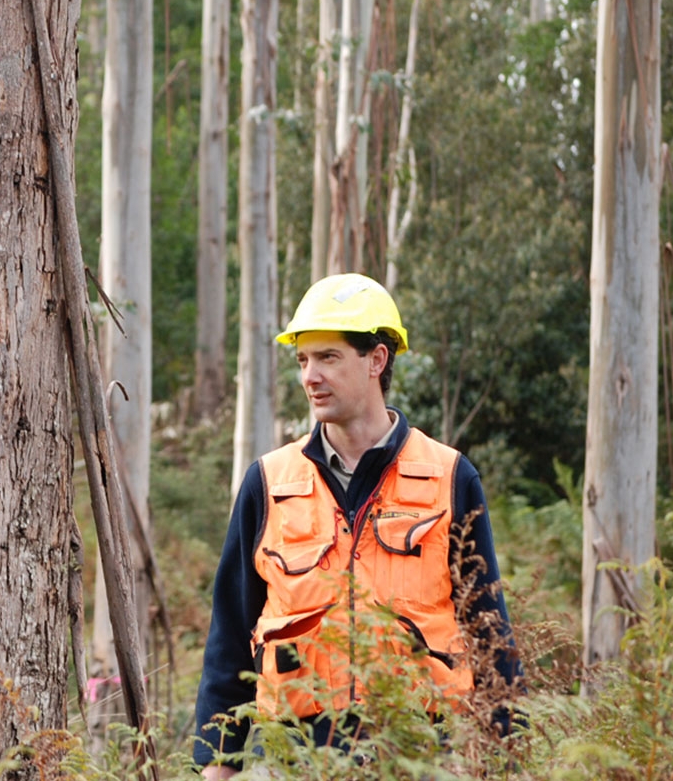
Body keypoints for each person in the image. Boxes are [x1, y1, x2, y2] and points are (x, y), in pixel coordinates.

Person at [193, 273, 520, 778]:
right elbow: (231, 638)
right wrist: (216, 765)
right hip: (292, 758)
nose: (310, 377)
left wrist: (507, 755)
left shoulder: (450, 476)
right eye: (303, 360)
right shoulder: (269, 481)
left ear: (377, 360)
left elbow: (489, 629)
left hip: (418, 756)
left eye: (328, 357)